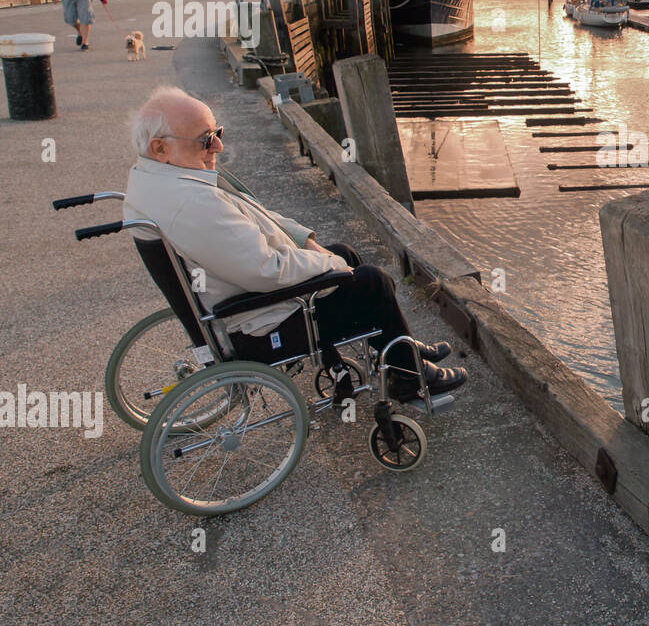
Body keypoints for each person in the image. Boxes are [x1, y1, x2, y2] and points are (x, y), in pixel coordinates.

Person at [122, 86, 467, 401]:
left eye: (217, 133)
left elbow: (254, 214)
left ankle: (398, 351)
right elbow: (264, 270)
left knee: (344, 252)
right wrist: (330, 265)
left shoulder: (159, 179)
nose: (219, 146)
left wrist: (308, 242)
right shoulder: (190, 203)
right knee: (372, 282)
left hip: (247, 301)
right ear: (160, 148)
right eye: (206, 139)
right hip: (259, 326)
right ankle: (407, 377)